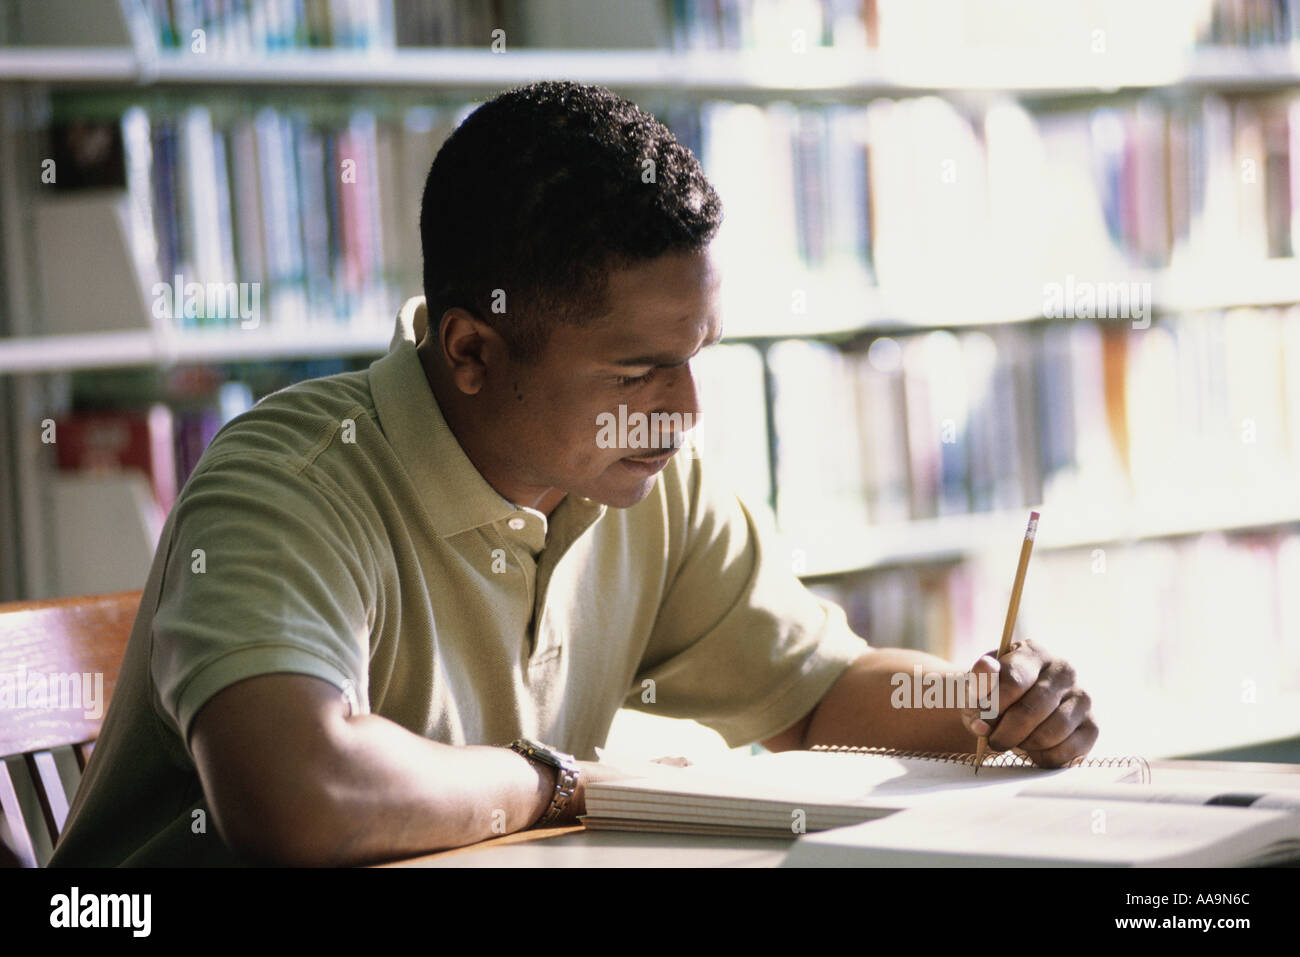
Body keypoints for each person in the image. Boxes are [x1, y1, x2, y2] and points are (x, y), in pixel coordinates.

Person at [49, 81, 1096, 867]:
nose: (685, 412)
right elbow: (299, 794)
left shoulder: (640, 478)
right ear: (470, 352)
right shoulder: (288, 483)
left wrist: (974, 703)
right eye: (640, 370)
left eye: (696, 357)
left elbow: (816, 700)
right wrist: (561, 783)